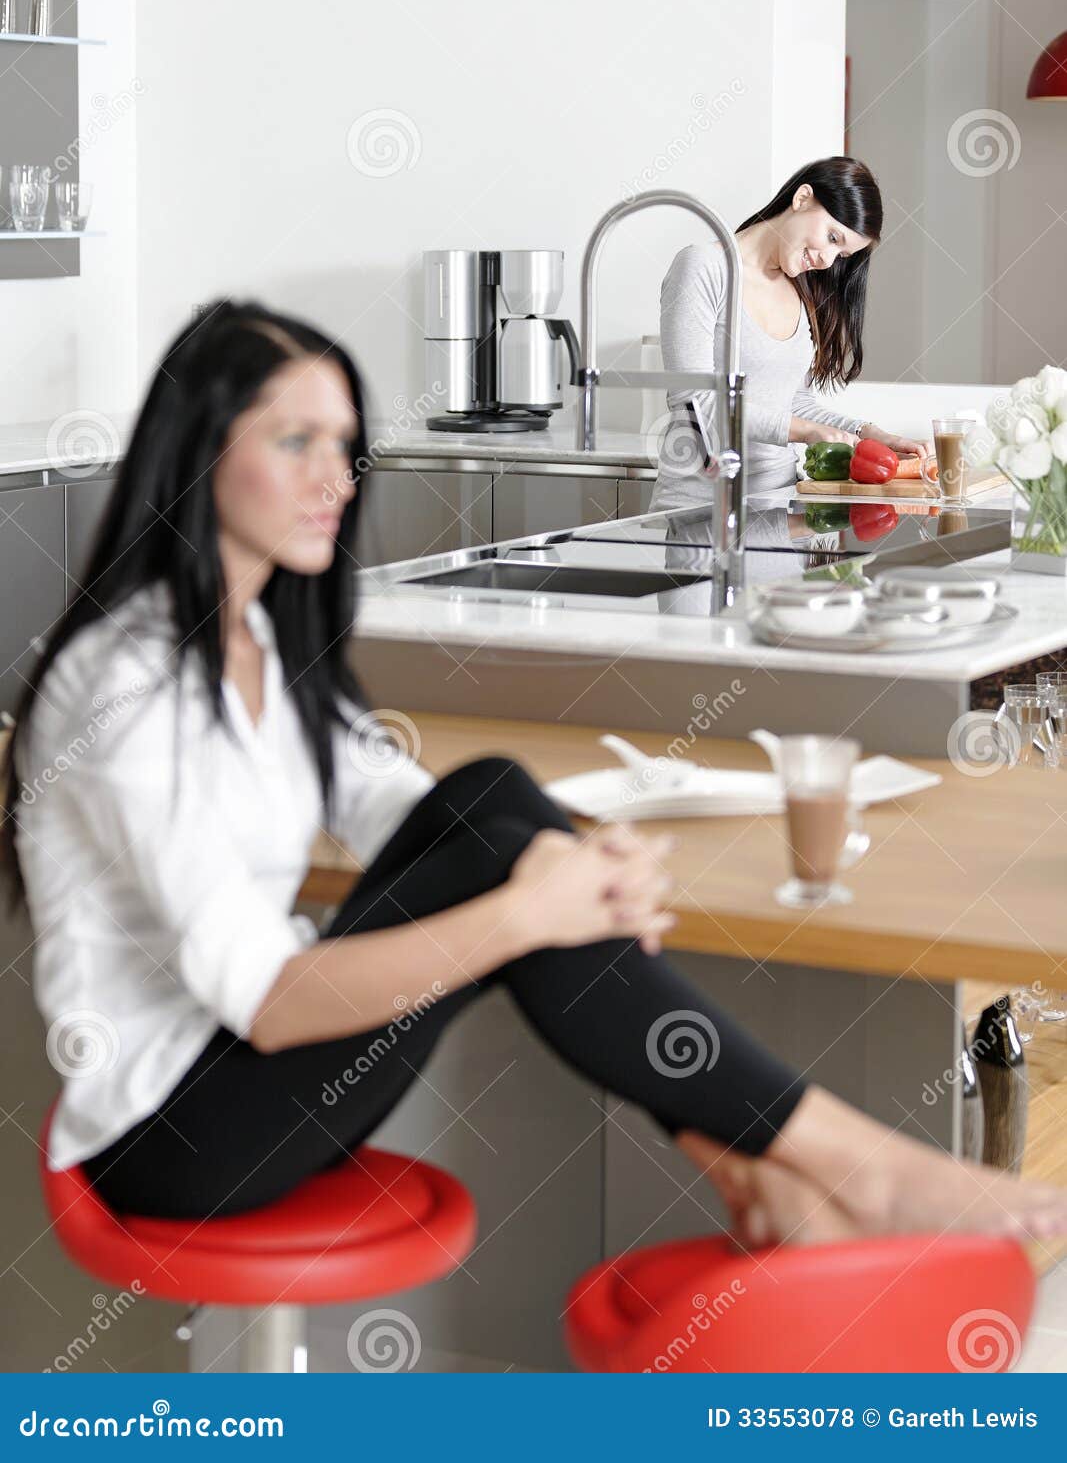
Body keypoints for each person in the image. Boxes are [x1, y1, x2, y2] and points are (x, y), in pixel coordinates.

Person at [3, 299, 1065, 1251]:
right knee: (507, 866)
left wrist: (575, 863)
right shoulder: (129, 688)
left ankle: (755, 1165)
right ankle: (841, 1164)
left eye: (342, 444)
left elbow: (386, 796)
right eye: (295, 442)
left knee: (499, 795)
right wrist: (530, 910)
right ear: (198, 451)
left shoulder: (252, 639)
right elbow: (271, 1007)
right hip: (181, 1134)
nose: (335, 478)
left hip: (254, 1076)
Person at [650, 156, 932, 510]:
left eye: (841, 253)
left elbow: (793, 403)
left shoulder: (803, 291)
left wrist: (865, 433)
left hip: (780, 503)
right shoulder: (704, 267)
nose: (829, 260)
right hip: (700, 509)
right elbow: (694, 402)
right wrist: (805, 432)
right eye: (832, 237)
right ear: (802, 199)